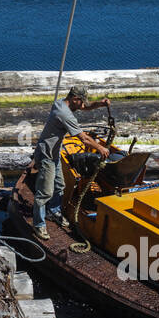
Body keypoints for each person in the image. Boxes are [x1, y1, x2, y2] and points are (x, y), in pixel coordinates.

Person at [29, 86, 110, 240]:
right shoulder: (64, 114)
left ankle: (53, 211)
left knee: (60, 185)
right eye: (81, 102)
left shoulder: (61, 103)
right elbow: (84, 138)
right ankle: (38, 224)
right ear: (74, 99)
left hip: (55, 152)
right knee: (44, 192)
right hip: (46, 154)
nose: (82, 106)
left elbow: (85, 107)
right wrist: (100, 147)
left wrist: (99, 104)